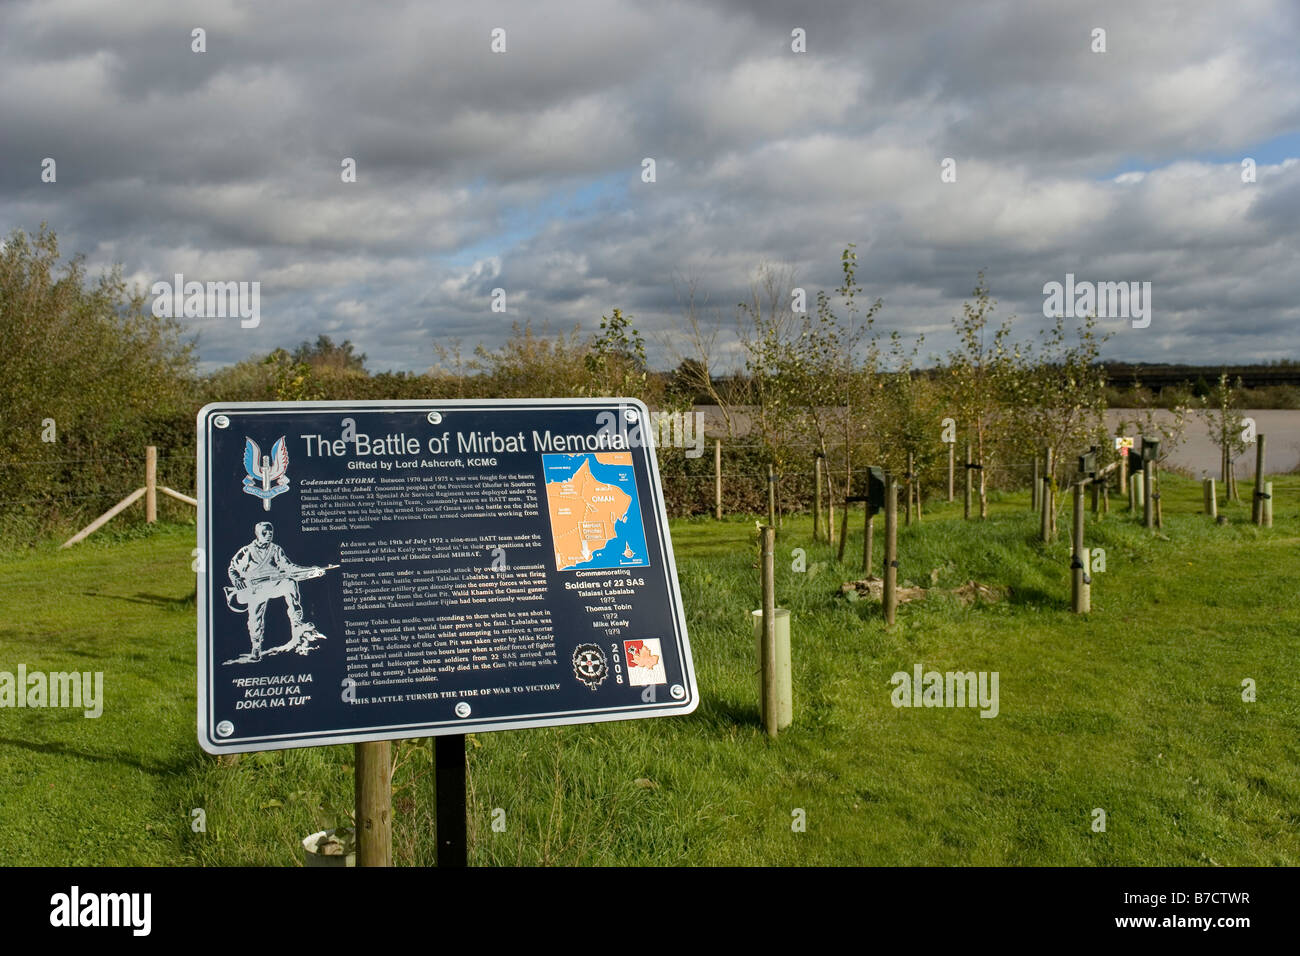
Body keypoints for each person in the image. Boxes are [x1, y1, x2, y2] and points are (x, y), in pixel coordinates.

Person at [227, 522, 325, 661]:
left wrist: (311, 572)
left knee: (290, 583)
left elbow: (289, 568)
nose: (268, 536)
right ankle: (256, 647)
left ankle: (297, 621)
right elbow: (233, 568)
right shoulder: (247, 551)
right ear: (257, 534)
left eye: (270, 533)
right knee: (255, 619)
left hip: (273, 585)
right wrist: (237, 580)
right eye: (264, 533)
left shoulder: (276, 550)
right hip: (255, 590)